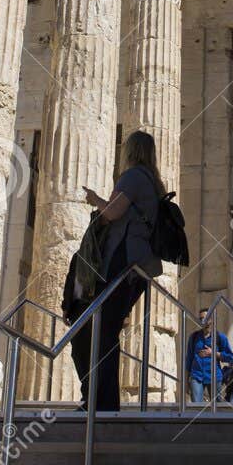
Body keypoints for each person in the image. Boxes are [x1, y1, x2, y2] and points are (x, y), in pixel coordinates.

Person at [75, 129, 163, 412]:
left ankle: (99, 402)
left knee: (98, 330)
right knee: (107, 329)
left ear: (130, 151)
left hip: (122, 261)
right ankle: (103, 401)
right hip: (140, 265)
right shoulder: (153, 182)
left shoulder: (134, 177)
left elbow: (112, 212)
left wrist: (95, 200)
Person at [185, 317, 233, 404]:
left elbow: (230, 357)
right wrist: (186, 382)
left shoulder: (220, 337)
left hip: (214, 375)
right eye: (201, 319)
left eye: (207, 318)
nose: (205, 321)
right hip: (197, 375)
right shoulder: (194, 337)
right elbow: (188, 360)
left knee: (218, 406)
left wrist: (214, 353)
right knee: (196, 406)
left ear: (212, 320)